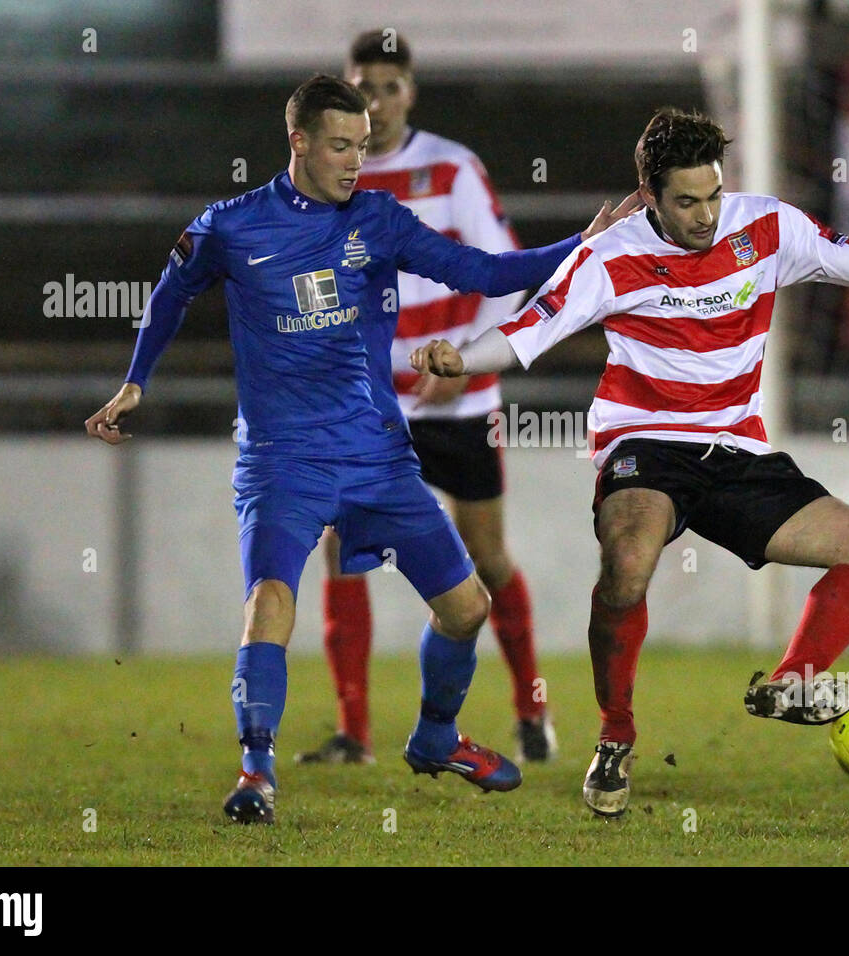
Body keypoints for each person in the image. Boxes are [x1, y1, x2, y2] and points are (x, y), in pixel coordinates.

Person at [411, 107, 849, 817]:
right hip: (645, 444)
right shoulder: (608, 256)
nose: (705, 215)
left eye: (711, 195)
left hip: (736, 448)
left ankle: (791, 682)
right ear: (650, 196)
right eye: (685, 201)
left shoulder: (767, 226)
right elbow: (531, 330)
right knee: (629, 566)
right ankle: (615, 737)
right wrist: (464, 357)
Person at [84, 74, 633, 824]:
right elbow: (171, 292)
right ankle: (256, 773)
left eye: (363, 147)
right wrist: (135, 381)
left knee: (468, 606)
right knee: (271, 602)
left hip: (377, 456)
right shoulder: (232, 227)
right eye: (341, 146)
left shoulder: (378, 221)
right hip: (282, 460)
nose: (354, 162)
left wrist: (581, 245)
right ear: (299, 142)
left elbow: (483, 272)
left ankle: (436, 737)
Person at [296, 30, 554, 768]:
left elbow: (500, 273)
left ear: (410, 91)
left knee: (486, 557)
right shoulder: (327, 183)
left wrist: (467, 366)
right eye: (362, 87)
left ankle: (530, 710)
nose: (375, 101)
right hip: (374, 408)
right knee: (343, 550)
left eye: (388, 86)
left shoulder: (450, 168)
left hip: (458, 405)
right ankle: (355, 733)